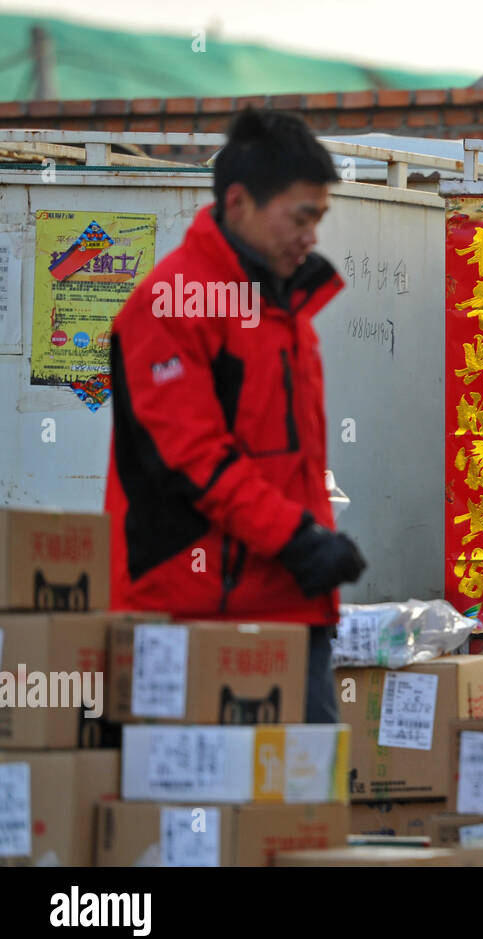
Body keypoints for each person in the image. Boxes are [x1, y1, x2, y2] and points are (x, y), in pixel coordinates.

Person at [105, 108, 366, 723]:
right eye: (301, 217)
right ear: (241, 202)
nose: (311, 237)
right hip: (191, 613)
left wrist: (307, 546)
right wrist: (301, 540)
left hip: (285, 605)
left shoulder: (282, 307)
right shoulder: (171, 304)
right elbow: (190, 459)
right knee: (202, 811)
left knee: (304, 811)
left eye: (319, 219)